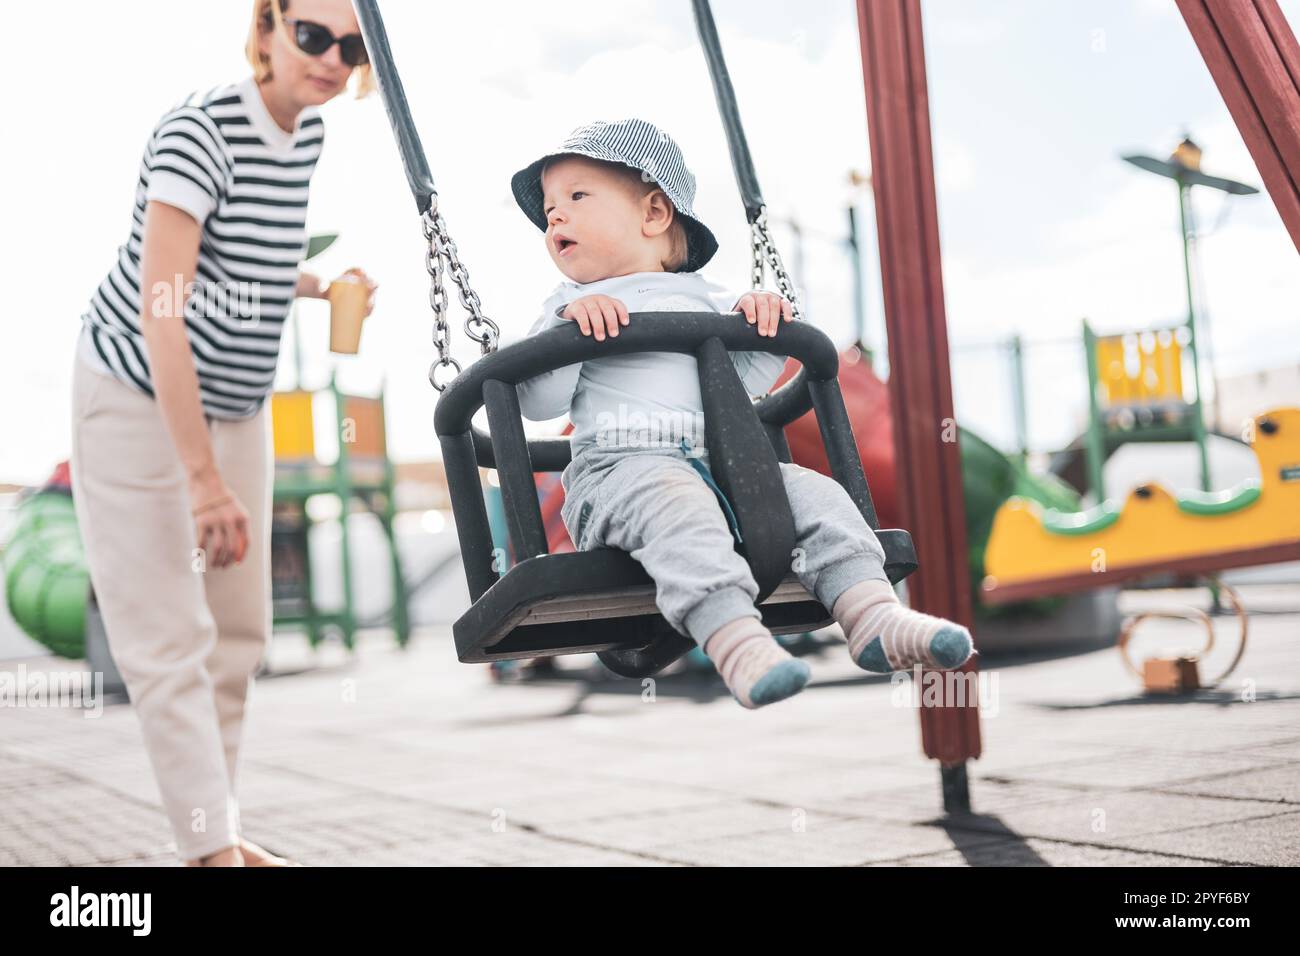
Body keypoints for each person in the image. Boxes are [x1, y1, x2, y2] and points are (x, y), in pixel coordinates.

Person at [512, 119, 975, 710]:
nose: (555, 216)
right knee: (675, 504)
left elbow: (750, 383)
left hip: (726, 467)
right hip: (618, 474)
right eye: (549, 208)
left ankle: (874, 617)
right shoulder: (567, 305)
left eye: (576, 197)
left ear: (655, 213)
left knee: (817, 495)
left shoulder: (711, 298)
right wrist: (566, 332)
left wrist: (761, 321)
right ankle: (735, 644)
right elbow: (536, 403)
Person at [70, 0, 378, 866]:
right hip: (135, 393)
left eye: (350, 47)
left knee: (237, 637)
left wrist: (320, 287)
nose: (329, 59)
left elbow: (248, 257)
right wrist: (203, 483)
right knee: (168, 639)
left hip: (236, 402)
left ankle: (214, 835)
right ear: (269, 24)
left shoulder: (307, 133)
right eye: (312, 35)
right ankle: (213, 854)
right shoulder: (196, 133)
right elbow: (161, 312)